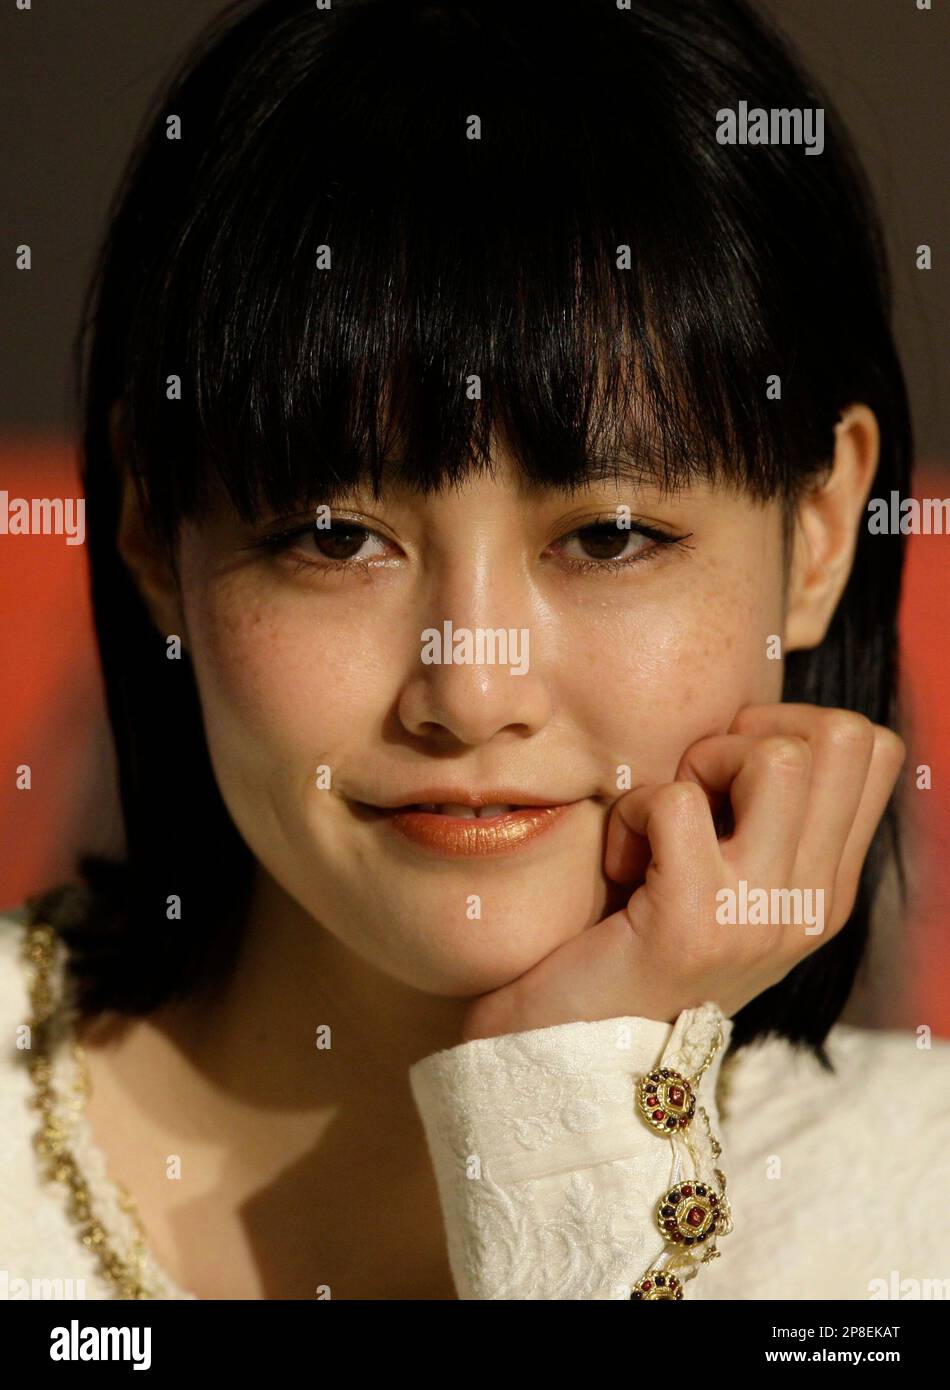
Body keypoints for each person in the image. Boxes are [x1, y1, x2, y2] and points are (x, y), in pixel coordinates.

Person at [2, 0, 947, 1301]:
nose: (469, 686)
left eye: (610, 537)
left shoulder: (913, 1205)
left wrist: (574, 1093)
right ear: (156, 536)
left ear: (822, 530)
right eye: (335, 536)